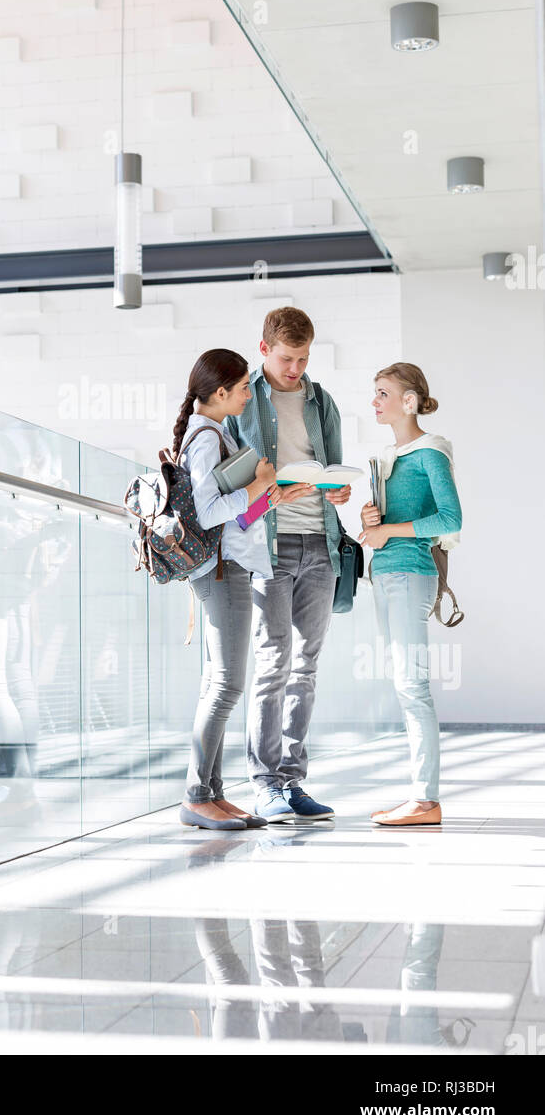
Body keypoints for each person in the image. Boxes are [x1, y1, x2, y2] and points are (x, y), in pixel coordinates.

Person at [225, 307, 351, 824]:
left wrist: (339, 491)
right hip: (266, 547)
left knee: (306, 666)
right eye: (286, 358)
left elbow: (335, 468)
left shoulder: (322, 402)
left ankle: (294, 780)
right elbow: (231, 489)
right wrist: (270, 492)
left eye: (302, 359)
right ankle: (265, 783)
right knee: (273, 664)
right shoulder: (239, 402)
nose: (295, 368)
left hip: (320, 543)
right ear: (263, 350)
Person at [174, 349, 280, 831]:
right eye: (241, 389)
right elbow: (208, 512)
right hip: (221, 572)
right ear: (221, 392)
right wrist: (259, 485)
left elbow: (235, 519)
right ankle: (197, 795)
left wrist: (269, 496)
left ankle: (212, 793)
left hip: (226, 566)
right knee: (226, 685)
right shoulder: (205, 438)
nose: (246, 395)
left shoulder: (214, 433)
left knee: (219, 681)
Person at [358, 363, 462, 827]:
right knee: (406, 686)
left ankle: (424, 799)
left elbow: (451, 520)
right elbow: (390, 527)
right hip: (386, 574)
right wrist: (372, 521)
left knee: (412, 688)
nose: (375, 401)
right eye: (374, 393)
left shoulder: (430, 453)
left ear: (409, 400)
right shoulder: (390, 456)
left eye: (383, 393)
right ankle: (420, 797)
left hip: (408, 574)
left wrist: (390, 531)